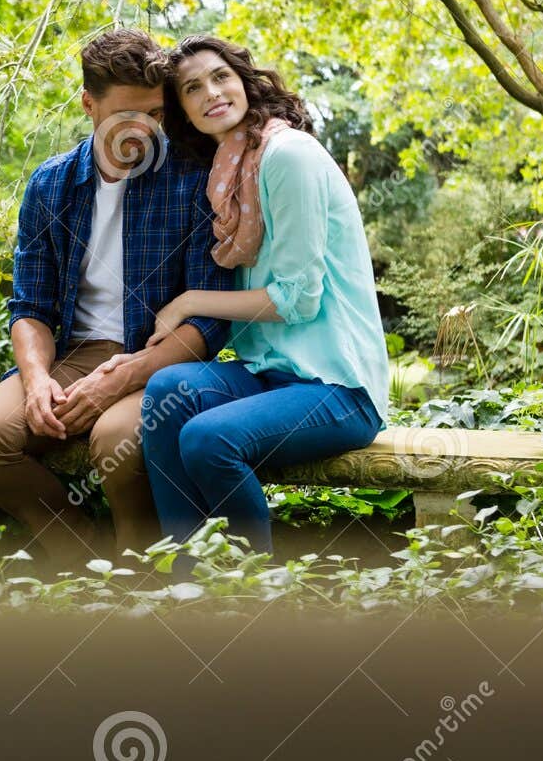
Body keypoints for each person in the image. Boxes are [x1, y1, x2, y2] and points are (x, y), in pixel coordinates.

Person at [0, 29, 233, 562]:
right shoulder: (49, 185)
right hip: (76, 355)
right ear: (88, 103)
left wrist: (124, 377)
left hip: (161, 358)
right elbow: (31, 307)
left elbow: (210, 320)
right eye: (127, 114)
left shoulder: (193, 179)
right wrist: (36, 384)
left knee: (114, 440)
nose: (143, 130)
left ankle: (138, 567)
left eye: (155, 113)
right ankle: (81, 555)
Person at [139, 35, 390, 555]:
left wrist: (188, 301)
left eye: (221, 77)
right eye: (192, 88)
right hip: (271, 378)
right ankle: (185, 579)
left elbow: (299, 300)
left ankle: (258, 592)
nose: (211, 92)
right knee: (166, 392)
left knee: (208, 438)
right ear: (182, 109)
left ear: (245, 81)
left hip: (339, 388)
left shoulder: (287, 156)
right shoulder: (228, 172)